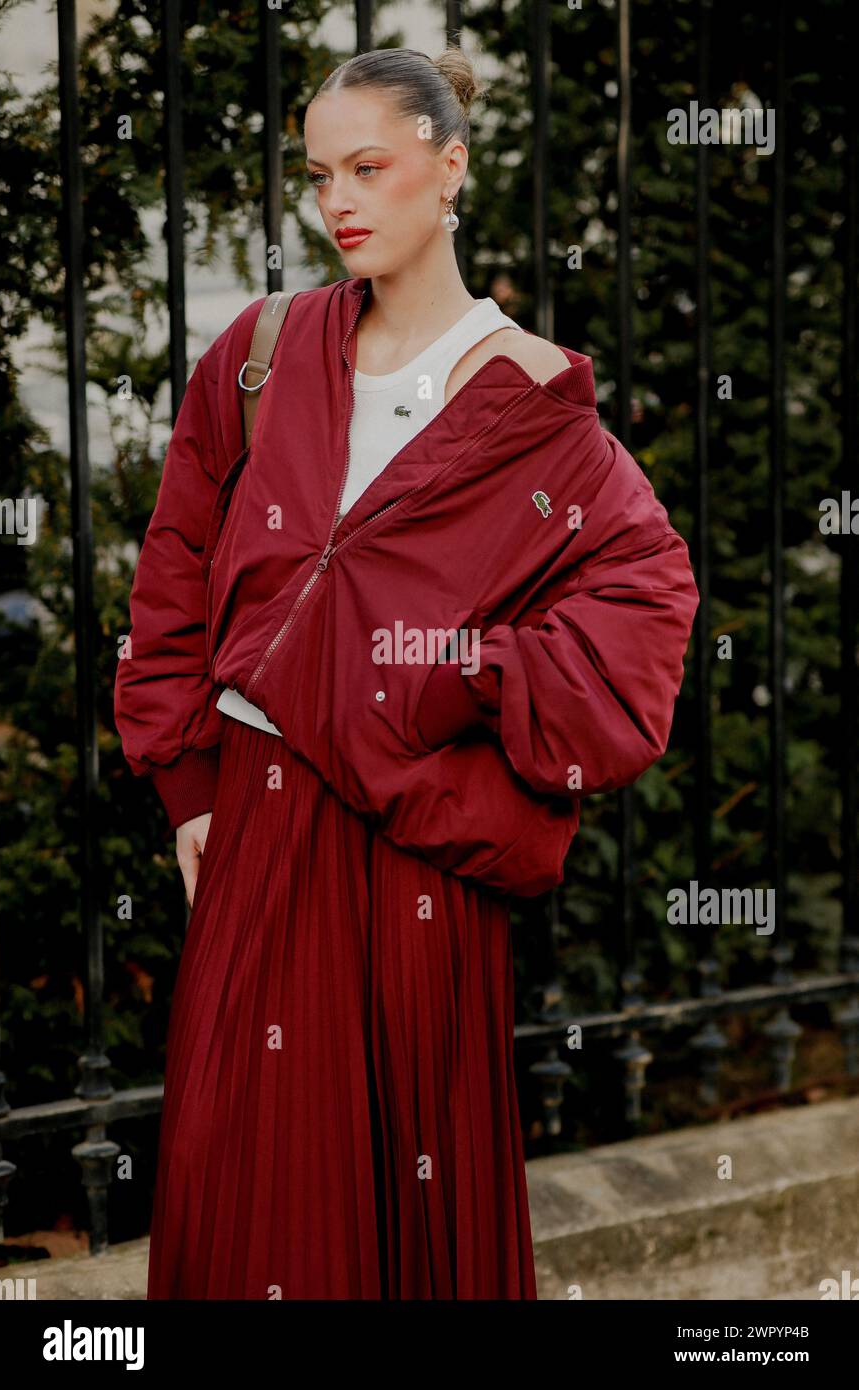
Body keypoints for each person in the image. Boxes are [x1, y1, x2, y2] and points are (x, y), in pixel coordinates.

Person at [114, 46, 700, 1300]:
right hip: (258, 831)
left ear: (450, 169)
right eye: (320, 174)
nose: (338, 202)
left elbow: (646, 614)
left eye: (368, 167)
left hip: (413, 852)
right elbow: (171, 576)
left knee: (406, 1202)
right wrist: (188, 785)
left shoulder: (536, 401)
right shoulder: (260, 352)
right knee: (243, 1184)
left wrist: (450, 677)